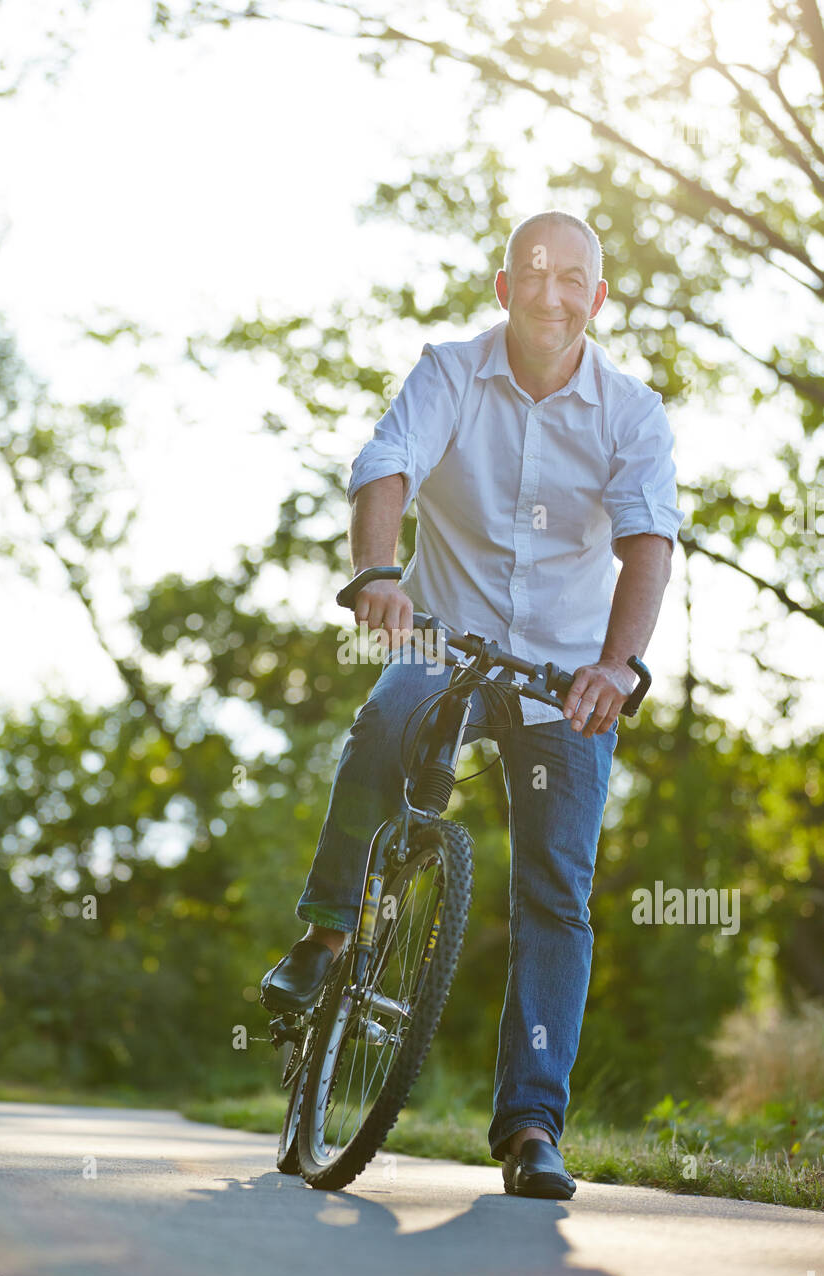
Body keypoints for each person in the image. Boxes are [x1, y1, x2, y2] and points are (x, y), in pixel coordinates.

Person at [260, 209, 684, 1198]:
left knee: (554, 895)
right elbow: (386, 466)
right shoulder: (449, 372)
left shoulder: (630, 413)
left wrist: (617, 668)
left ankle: (531, 1124)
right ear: (504, 287)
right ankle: (327, 937)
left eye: (571, 278)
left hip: (561, 680)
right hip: (440, 633)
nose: (550, 294)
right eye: (531, 276)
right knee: (384, 717)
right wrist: (375, 570)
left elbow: (646, 545)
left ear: (596, 296)